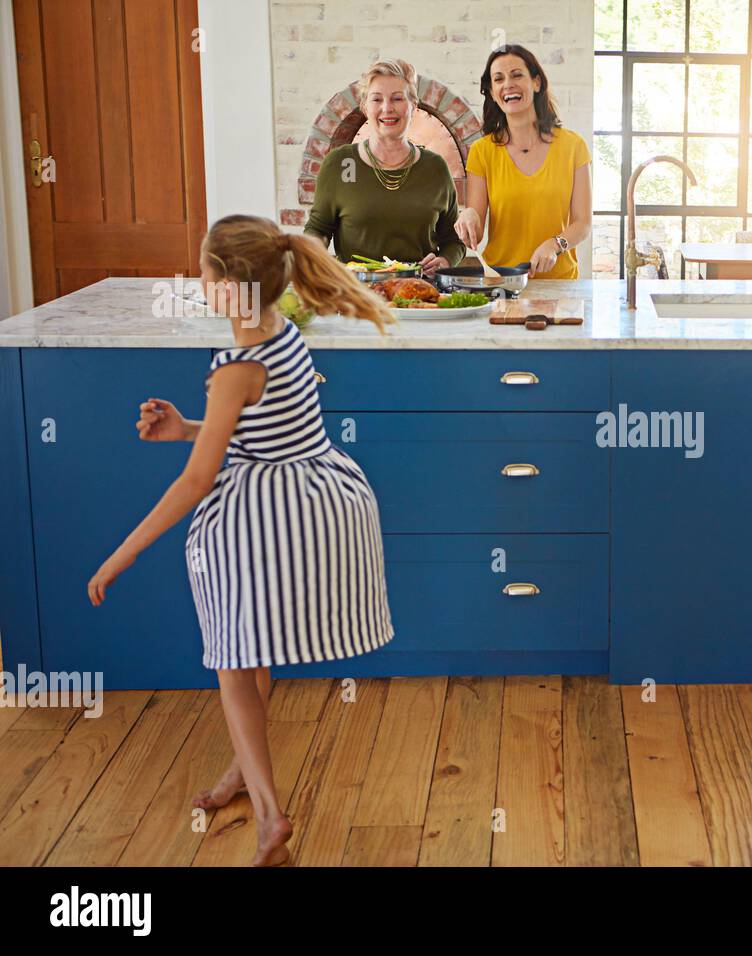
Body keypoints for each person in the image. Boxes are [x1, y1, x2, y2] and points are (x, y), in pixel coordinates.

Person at [86, 214, 397, 867]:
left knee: (232, 661)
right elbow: (263, 430)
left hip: (261, 522)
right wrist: (185, 429)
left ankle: (268, 817)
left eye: (203, 272)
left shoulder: (234, 366)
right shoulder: (282, 336)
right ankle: (240, 773)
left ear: (228, 287)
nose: (198, 281)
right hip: (318, 507)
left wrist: (124, 551)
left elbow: (199, 481)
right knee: (253, 651)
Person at [305, 57, 465, 277]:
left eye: (397, 98)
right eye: (377, 99)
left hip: (419, 291)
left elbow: (453, 241)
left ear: (413, 106)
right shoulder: (341, 163)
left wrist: (445, 261)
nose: (387, 108)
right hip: (357, 291)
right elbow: (318, 229)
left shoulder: (435, 167)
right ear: (365, 107)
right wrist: (312, 256)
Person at [455, 44, 592, 279]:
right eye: (498, 79)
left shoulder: (574, 146)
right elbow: (476, 232)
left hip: (560, 283)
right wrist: (468, 216)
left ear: (536, 83)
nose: (508, 84)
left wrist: (555, 244)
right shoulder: (482, 151)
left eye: (517, 75)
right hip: (501, 280)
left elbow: (583, 224)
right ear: (492, 92)